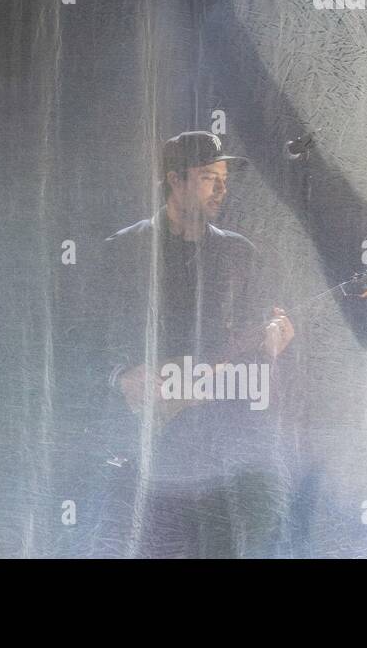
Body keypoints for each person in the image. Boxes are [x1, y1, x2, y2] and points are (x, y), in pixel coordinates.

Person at [92, 130, 295, 558]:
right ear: (175, 180)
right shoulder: (124, 249)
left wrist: (275, 341)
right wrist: (119, 376)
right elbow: (86, 341)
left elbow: (261, 337)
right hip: (145, 452)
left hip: (221, 454)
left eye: (224, 178)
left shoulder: (241, 254)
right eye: (208, 177)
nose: (222, 187)